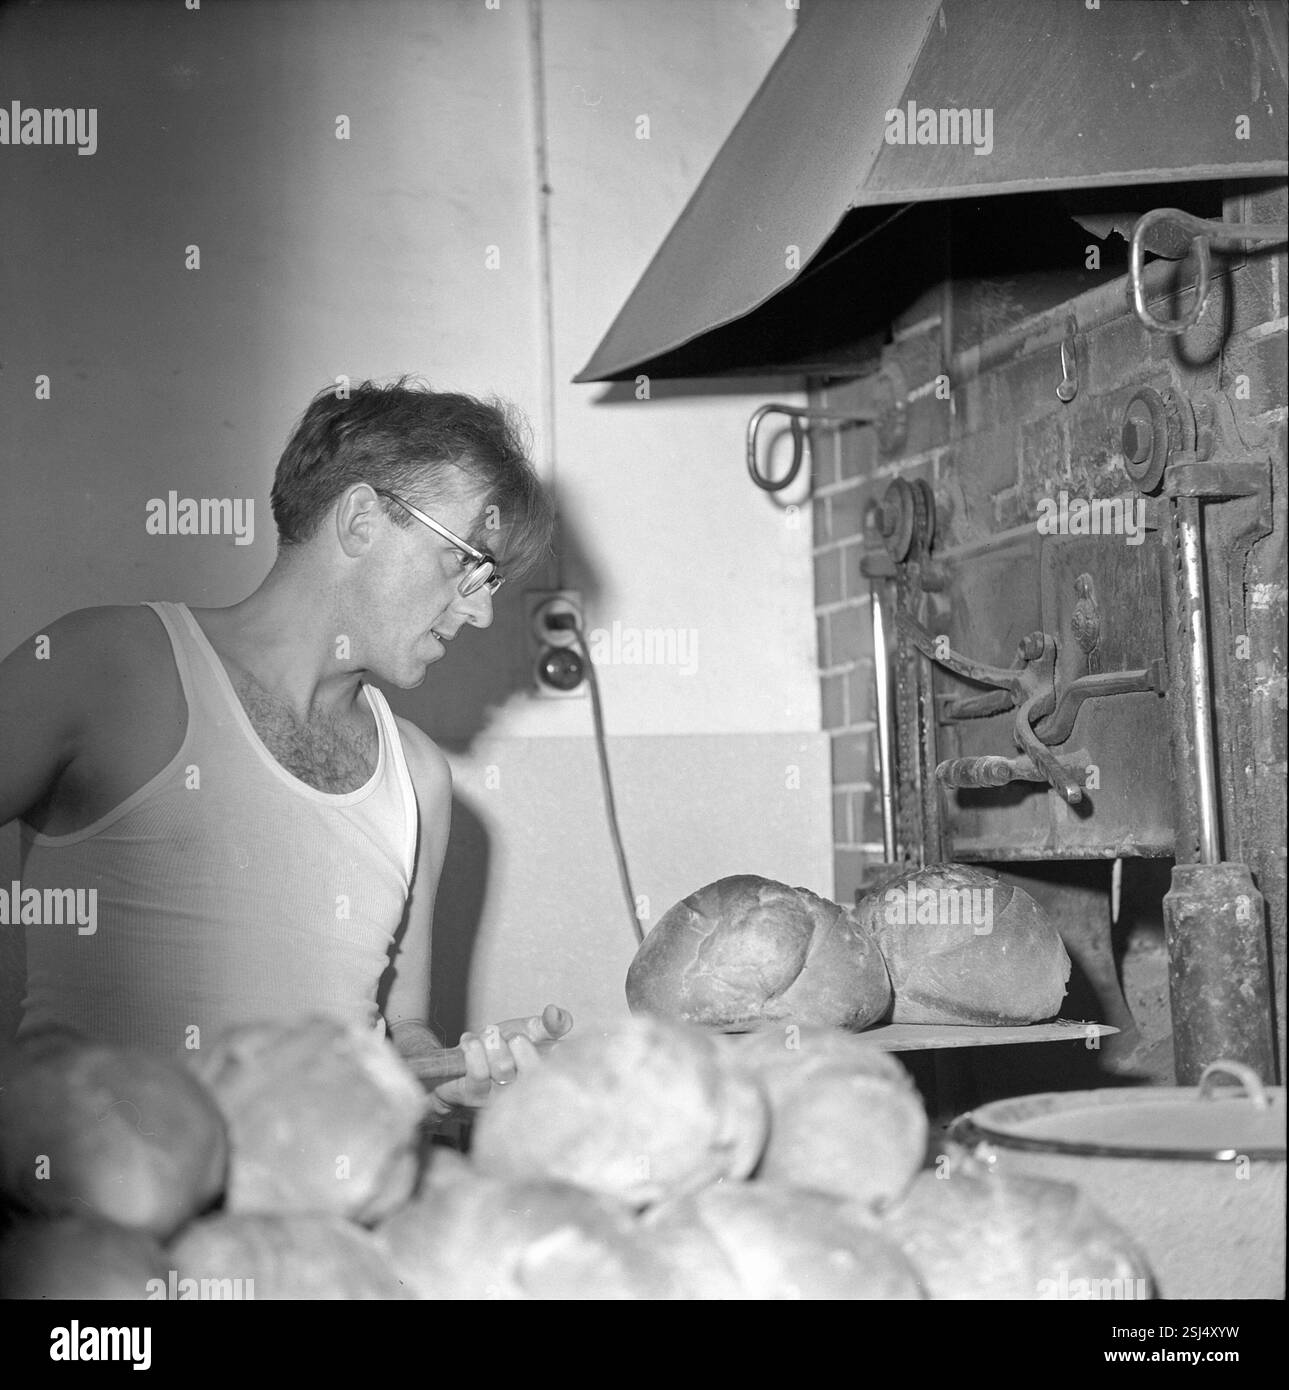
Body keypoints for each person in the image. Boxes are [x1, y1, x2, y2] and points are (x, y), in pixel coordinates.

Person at [0, 378, 564, 1117]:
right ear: (362, 519)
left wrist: (442, 1076)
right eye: (468, 562)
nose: (483, 611)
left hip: (321, 1214)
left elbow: (402, 1036)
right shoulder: (102, 666)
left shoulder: (419, 776)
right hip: (100, 1216)